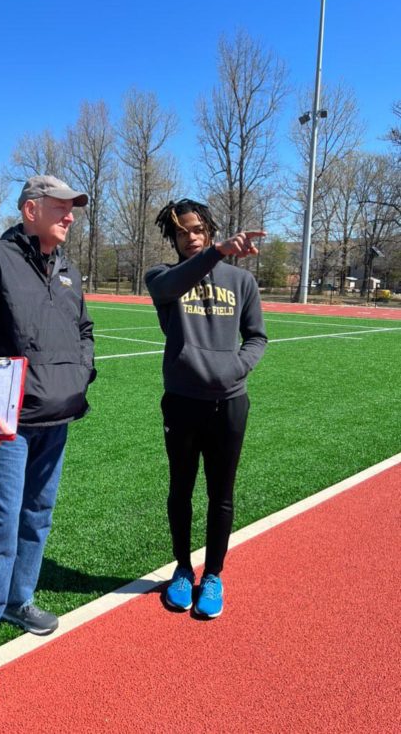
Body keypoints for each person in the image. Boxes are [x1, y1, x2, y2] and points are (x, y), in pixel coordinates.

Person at [0, 175, 96, 707]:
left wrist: (81, 374)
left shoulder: (69, 269)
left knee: (38, 514)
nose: (70, 216)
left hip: (58, 415)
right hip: (9, 422)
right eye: (61, 207)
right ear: (31, 209)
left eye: (72, 208)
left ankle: (16, 599)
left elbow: (84, 329)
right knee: (1, 525)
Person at [144, 198, 267, 619]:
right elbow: (171, 285)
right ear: (173, 237)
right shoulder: (161, 277)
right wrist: (217, 252)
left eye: (198, 229)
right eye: (182, 232)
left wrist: (236, 367)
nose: (191, 237)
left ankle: (213, 574)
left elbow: (257, 337)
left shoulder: (241, 281)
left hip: (230, 403)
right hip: (182, 402)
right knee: (180, 490)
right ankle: (182, 569)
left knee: (221, 495)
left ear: (209, 229)